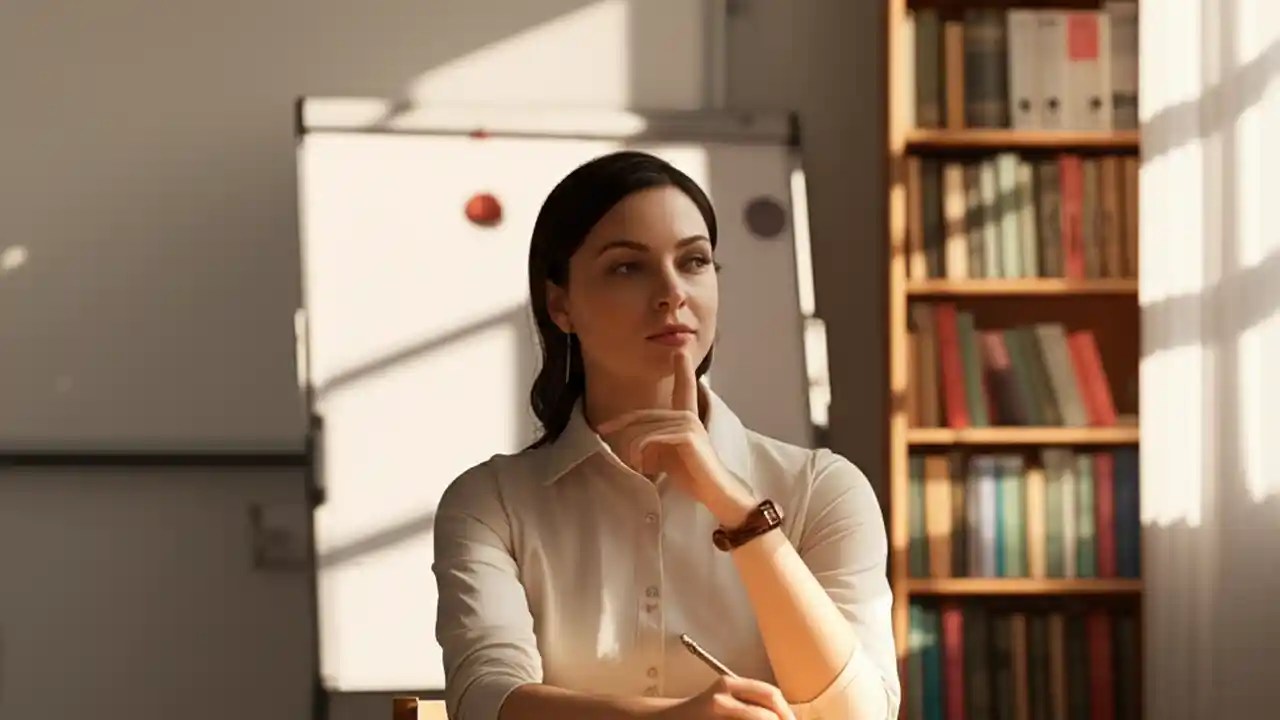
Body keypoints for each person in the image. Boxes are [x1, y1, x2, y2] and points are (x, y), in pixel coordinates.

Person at [433, 151, 900, 720]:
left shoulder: (822, 488)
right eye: (628, 267)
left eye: (694, 260)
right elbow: (485, 701)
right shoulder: (491, 503)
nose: (672, 292)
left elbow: (860, 715)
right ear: (561, 304)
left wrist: (738, 509)